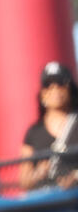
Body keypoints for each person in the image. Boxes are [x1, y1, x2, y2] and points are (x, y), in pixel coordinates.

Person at [20, 61, 78, 189]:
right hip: (47, 203)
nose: (55, 89)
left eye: (61, 84)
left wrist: (74, 176)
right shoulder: (33, 132)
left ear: (70, 90)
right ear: (42, 94)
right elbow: (24, 181)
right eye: (48, 85)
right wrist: (37, 174)